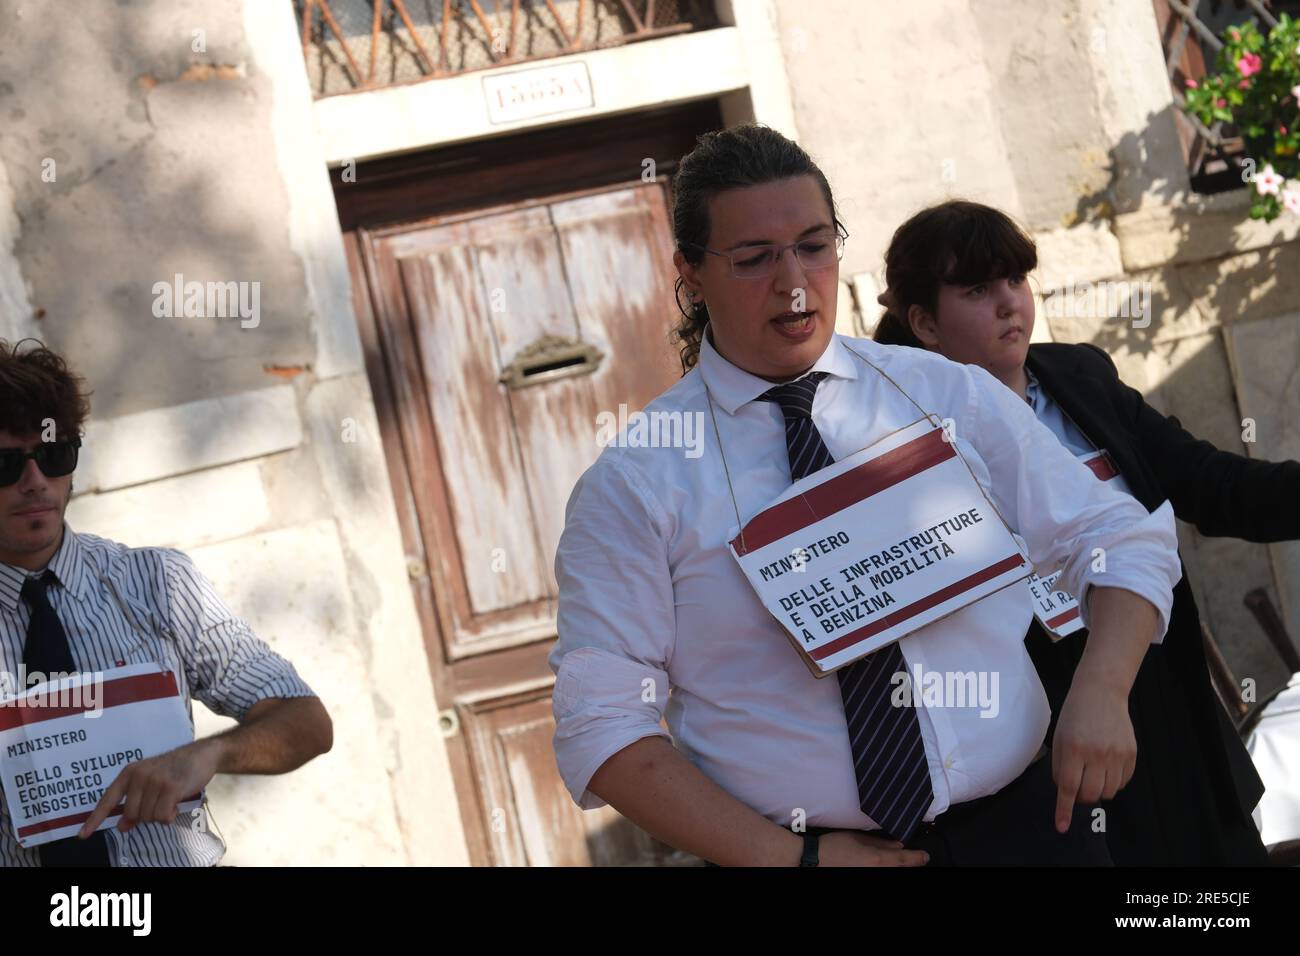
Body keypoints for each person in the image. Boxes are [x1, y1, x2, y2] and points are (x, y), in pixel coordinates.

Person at [548, 124, 1183, 866]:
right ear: (690, 273)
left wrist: (1104, 689)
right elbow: (601, 721)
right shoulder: (637, 481)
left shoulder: (945, 391)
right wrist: (796, 860)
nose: (793, 282)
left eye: (815, 246)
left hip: (1029, 833)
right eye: (754, 258)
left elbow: (1117, 536)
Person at [873, 198, 1300, 865]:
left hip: (1165, 706)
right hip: (1047, 742)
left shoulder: (1080, 377)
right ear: (924, 322)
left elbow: (1213, 486)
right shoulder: (894, 442)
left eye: (1015, 279)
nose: (1009, 303)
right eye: (978, 290)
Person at [0, 339, 332, 866]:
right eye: (6, 465)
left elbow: (306, 721)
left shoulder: (158, 583)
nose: (35, 481)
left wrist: (207, 754)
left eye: (53, 454)